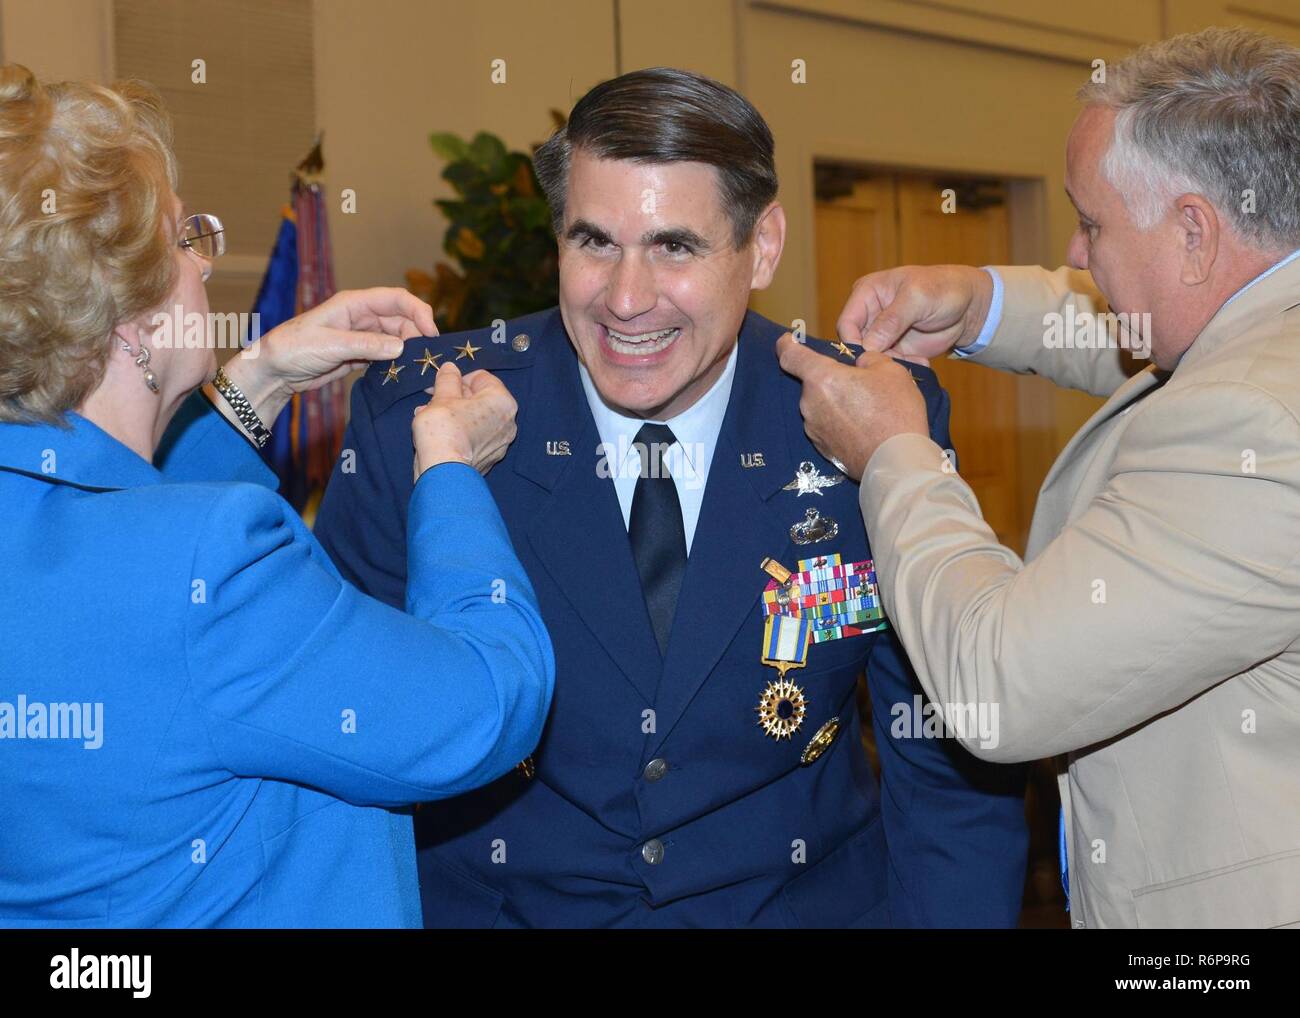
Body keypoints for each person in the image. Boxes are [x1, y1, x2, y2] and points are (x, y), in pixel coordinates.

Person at [315, 67, 1028, 929]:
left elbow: (942, 757)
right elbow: (343, 744)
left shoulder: (868, 416)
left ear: (762, 246)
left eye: (674, 247)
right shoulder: (421, 416)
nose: (625, 299)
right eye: (594, 242)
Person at [0, 65, 554, 928]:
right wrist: (450, 474)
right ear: (137, 324)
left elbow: (111, 544)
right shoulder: (219, 562)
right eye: (187, 238)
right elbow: (486, 704)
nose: (204, 264)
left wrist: (258, 379)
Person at [778, 27, 1300, 929]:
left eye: (1092, 223)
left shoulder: (1254, 425)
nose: (1077, 249)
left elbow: (997, 686)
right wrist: (981, 301)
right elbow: (1173, 345)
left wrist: (898, 456)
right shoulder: (1261, 335)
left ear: (1194, 230)